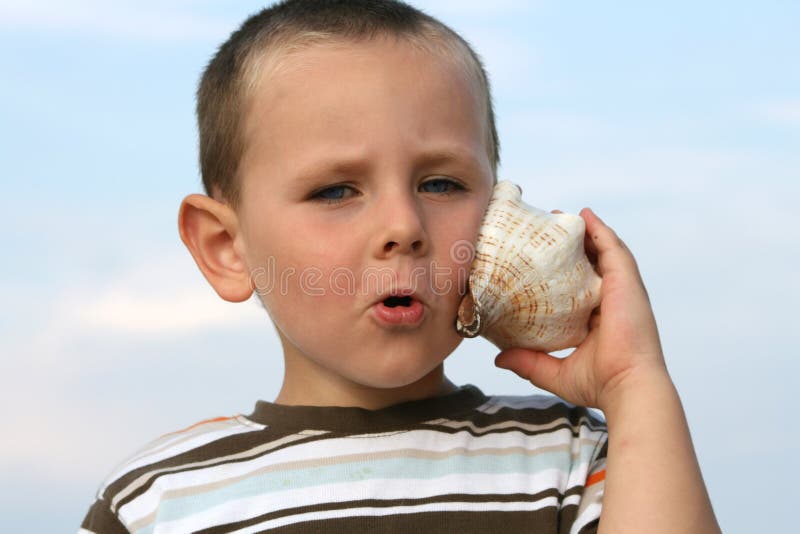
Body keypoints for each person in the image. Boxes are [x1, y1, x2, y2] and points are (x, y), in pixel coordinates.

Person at [80, 1, 720, 532]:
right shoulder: (157, 502)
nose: (404, 228)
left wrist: (636, 385)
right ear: (226, 247)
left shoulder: (574, 459)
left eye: (441, 184)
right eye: (335, 191)